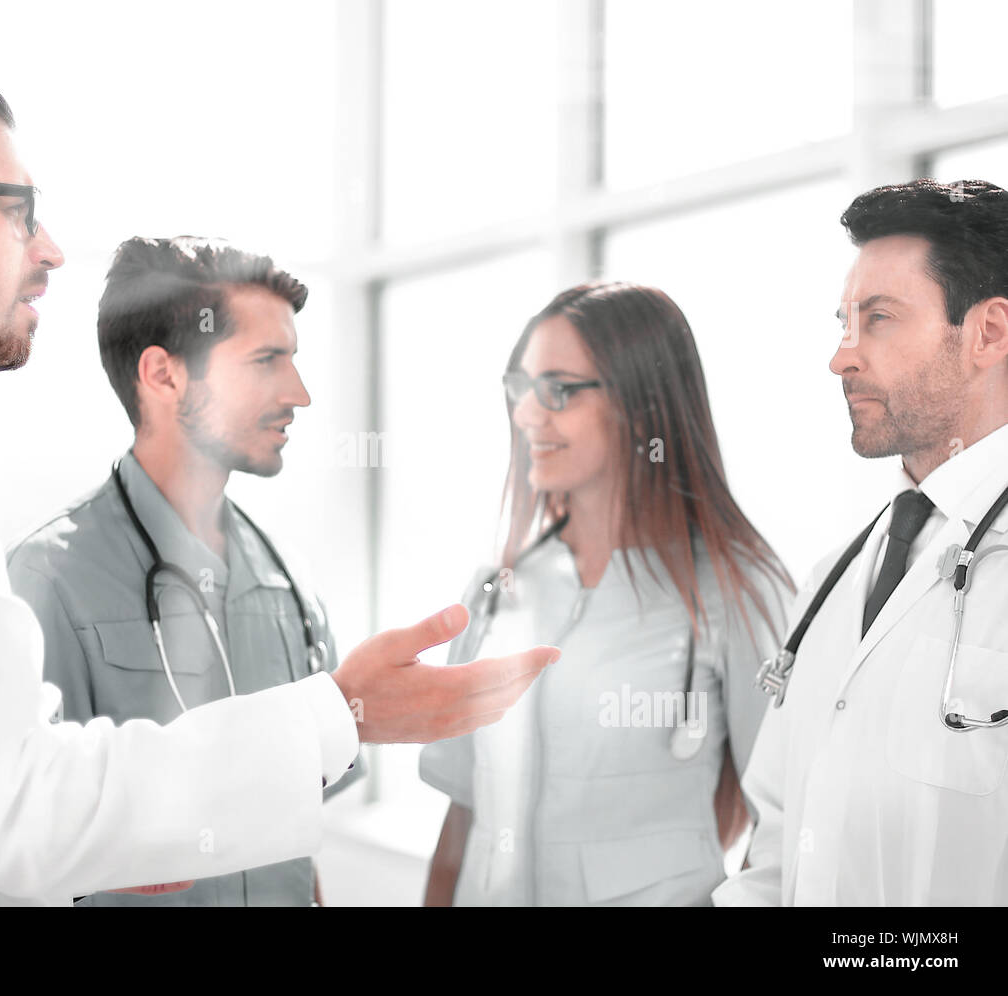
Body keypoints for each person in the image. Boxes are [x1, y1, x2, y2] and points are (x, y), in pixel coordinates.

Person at [0, 60, 557, 905]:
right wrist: (342, 712)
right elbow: (24, 810)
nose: (48, 251)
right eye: (18, 212)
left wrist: (128, 841)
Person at [6, 237, 367, 906]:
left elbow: (300, 815)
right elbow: (27, 845)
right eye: (266, 361)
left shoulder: (286, 577)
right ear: (164, 374)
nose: (301, 394)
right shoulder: (47, 580)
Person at [420, 281, 793, 906]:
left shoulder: (737, 589)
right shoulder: (498, 589)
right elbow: (463, 815)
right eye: (521, 389)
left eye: (559, 391)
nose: (527, 414)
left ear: (643, 405)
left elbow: (781, 828)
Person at [714, 179, 1008, 907]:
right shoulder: (831, 579)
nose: (840, 358)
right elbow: (774, 855)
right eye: (843, 321)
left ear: (989, 333)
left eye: (877, 320)